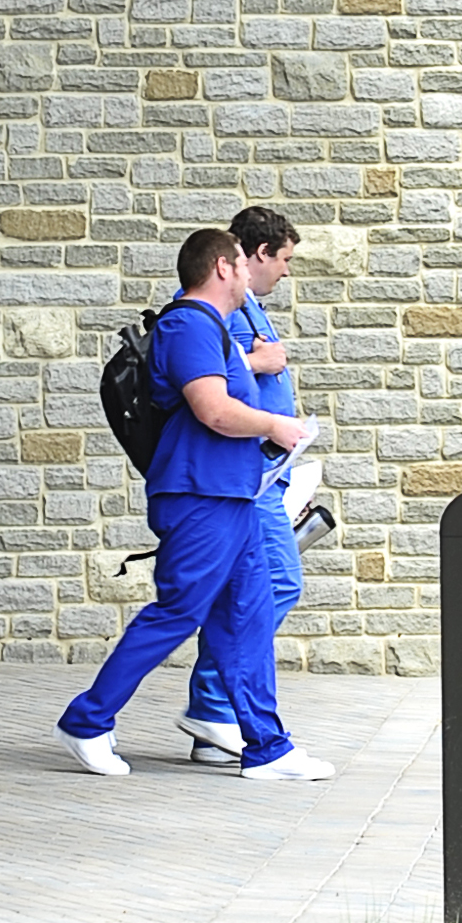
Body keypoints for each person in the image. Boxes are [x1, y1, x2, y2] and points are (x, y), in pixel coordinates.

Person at [58, 224, 337, 781]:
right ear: (222, 268)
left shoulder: (211, 327)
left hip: (233, 496)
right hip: (199, 498)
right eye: (241, 263)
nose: (250, 274)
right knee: (178, 613)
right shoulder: (187, 325)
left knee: (248, 617)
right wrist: (275, 425)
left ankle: (268, 748)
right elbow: (213, 410)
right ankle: (86, 722)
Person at [183, 207, 310, 759]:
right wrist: (259, 362)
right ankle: (212, 705)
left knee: (248, 592)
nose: (286, 270)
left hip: (264, 474)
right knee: (276, 585)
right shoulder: (220, 306)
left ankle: (214, 724)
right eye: (284, 259)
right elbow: (197, 362)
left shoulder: (247, 305)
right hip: (246, 478)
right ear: (258, 254)